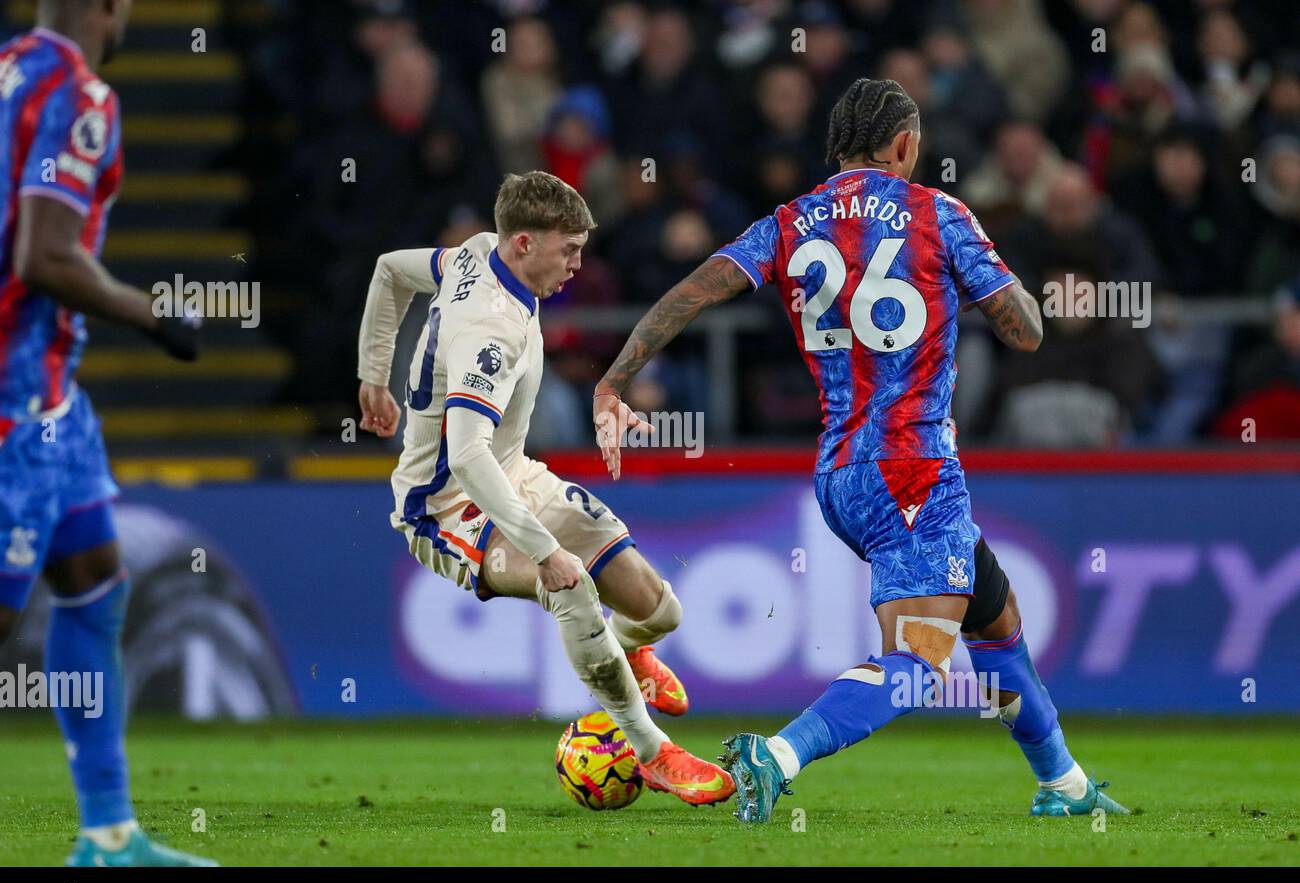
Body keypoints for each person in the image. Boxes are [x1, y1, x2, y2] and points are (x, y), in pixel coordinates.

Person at [593, 78, 1129, 824]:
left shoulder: (788, 221)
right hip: (914, 468)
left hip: (841, 474)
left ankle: (1063, 784)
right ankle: (777, 756)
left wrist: (615, 380)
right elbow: (1026, 330)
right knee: (919, 667)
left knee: (994, 617)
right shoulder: (938, 214)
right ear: (905, 145)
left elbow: (695, 290)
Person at [356, 171, 733, 806]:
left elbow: (391, 270)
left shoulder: (476, 252)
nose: (578, 265)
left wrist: (372, 375)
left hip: (515, 474)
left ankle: (627, 658)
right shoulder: (491, 333)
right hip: (446, 506)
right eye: (570, 250)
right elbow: (466, 453)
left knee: (660, 609)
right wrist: (545, 552)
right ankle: (652, 752)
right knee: (570, 585)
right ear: (526, 243)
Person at [0, 0, 210, 865]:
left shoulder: (8, 68)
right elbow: (42, 258)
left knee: (94, 579)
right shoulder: (81, 94)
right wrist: (155, 316)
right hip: (15, 402)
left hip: (55, 401)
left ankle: (109, 835)